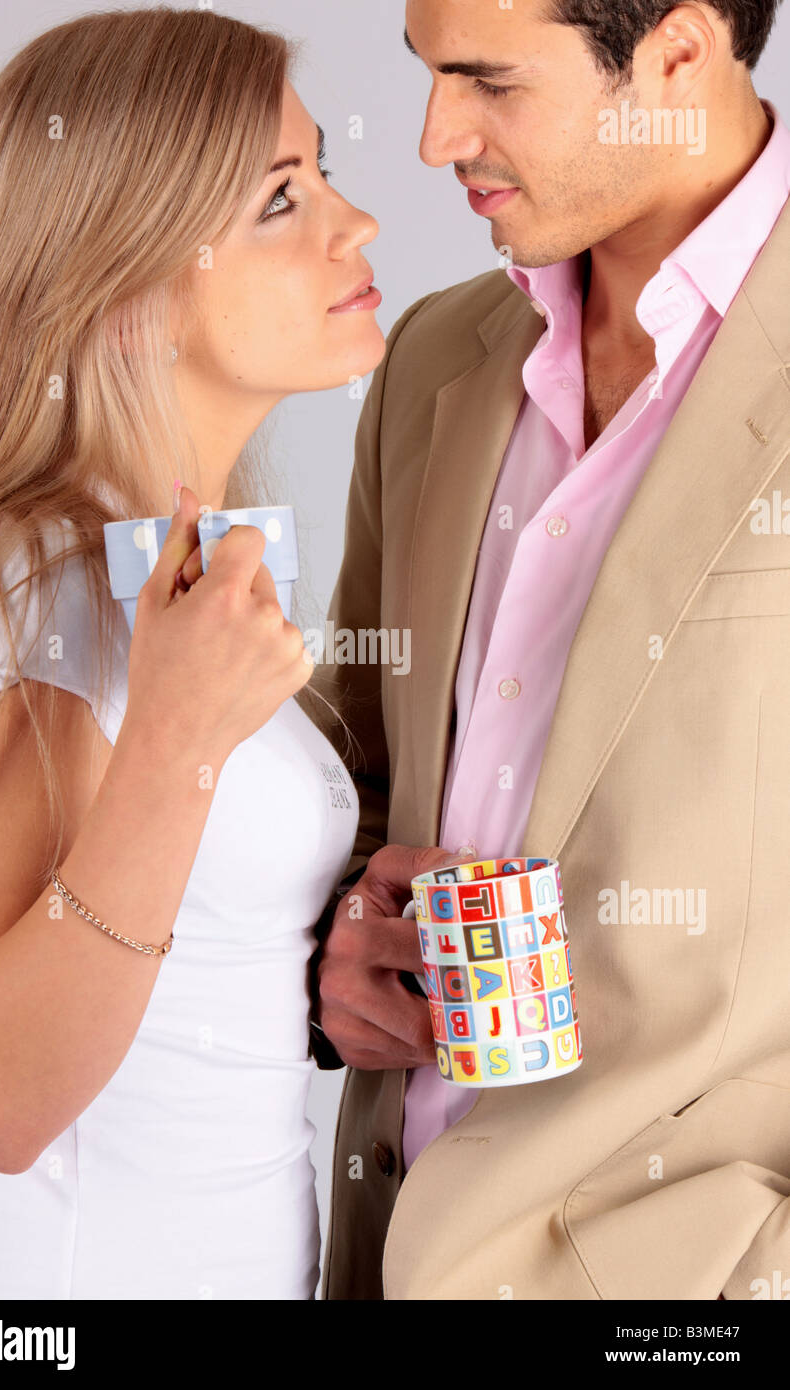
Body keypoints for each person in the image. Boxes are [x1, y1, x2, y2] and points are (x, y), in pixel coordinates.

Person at [311, 0, 790, 1299]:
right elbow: (355, 761)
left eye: (487, 84)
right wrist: (337, 944)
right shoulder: (431, 359)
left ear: (678, 52)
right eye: (423, 77)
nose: (430, 138)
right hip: (388, 1251)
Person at [0, 7, 387, 1301]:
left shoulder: (166, 572)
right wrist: (177, 747)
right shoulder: (3, 579)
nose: (356, 224)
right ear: (127, 298)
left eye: (324, 178)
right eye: (281, 201)